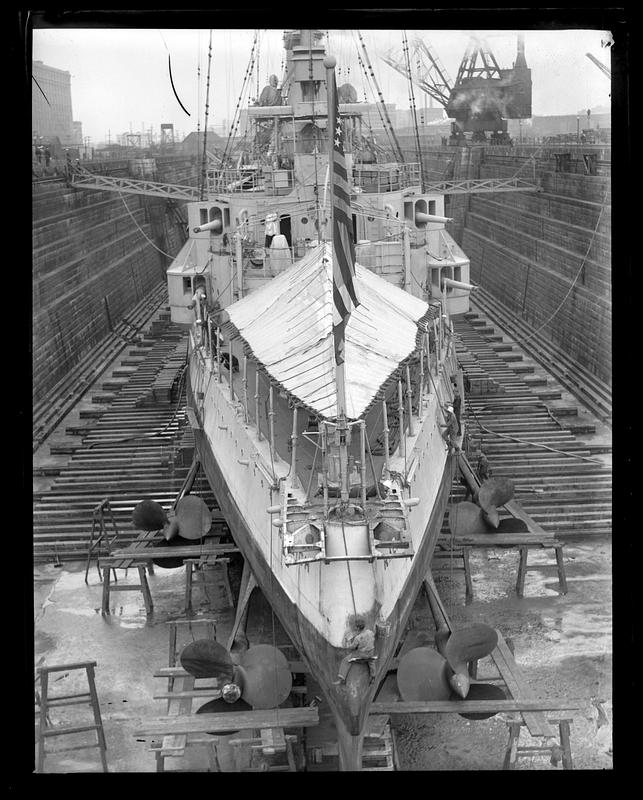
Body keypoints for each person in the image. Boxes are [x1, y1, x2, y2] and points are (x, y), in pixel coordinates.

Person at [333, 617, 376, 684]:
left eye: (356, 627)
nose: (355, 628)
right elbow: (370, 637)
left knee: (345, 661)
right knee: (371, 663)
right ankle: (373, 677)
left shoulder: (357, 638)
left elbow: (352, 647)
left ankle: (342, 679)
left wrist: (348, 642)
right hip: (370, 652)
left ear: (358, 628)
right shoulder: (370, 633)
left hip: (362, 654)